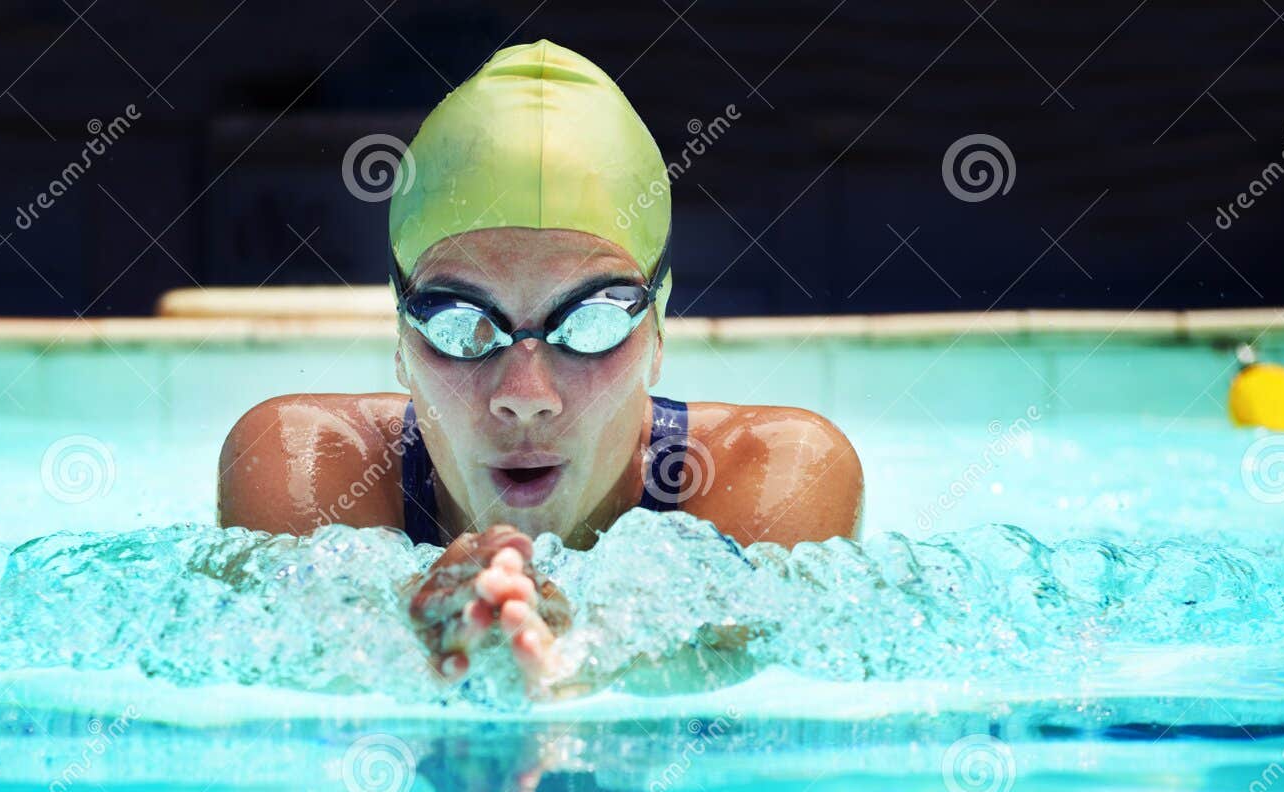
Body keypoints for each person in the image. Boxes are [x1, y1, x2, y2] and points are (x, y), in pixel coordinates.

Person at [219, 40, 862, 692]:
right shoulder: (305, 458)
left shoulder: (777, 469)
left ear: (658, 336)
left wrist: (579, 667)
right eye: (461, 325)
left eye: (590, 321)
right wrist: (399, 634)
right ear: (402, 342)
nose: (526, 395)